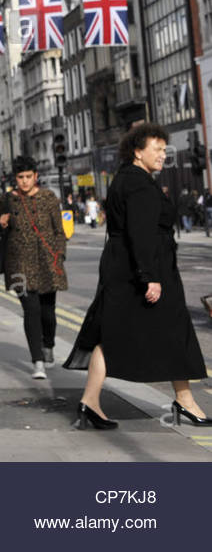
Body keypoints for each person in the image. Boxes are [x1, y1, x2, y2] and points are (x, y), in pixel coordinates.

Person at [64, 123, 209, 429]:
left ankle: (91, 402)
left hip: (122, 267)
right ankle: (183, 401)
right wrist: (149, 276)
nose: (162, 155)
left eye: (164, 149)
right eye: (157, 149)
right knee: (174, 330)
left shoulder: (123, 179)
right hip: (143, 269)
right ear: (137, 151)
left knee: (113, 334)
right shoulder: (141, 185)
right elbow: (140, 233)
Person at [0, 155, 67, 381]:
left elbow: (59, 231)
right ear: (15, 178)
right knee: (31, 310)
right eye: (20, 177)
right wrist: (2, 223)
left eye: (28, 177)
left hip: (47, 261)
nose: (25, 181)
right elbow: (2, 232)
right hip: (19, 263)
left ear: (36, 176)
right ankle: (37, 361)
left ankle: (48, 344)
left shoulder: (49, 197)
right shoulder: (7, 200)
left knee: (48, 312)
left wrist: (60, 256)